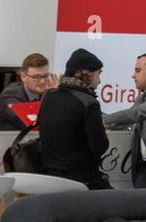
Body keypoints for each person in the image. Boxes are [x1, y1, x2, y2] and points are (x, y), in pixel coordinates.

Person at [35, 48, 111, 189]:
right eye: (98, 74)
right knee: (122, 207)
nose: (99, 81)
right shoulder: (89, 103)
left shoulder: (48, 96)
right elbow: (100, 147)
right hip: (82, 180)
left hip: (49, 178)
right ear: (86, 73)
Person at [102, 52, 146, 189]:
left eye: (138, 70)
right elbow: (125, 119)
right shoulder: (142, 98)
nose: (133, 75)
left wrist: (103, 120)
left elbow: (133, 114)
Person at [0, 53, 51, 130]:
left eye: (45, 76)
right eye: (36, 77)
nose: (42, 81)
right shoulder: (11, 94)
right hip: (10, 141)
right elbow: (30, 125)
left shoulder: (46, 93)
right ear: (23, 77)